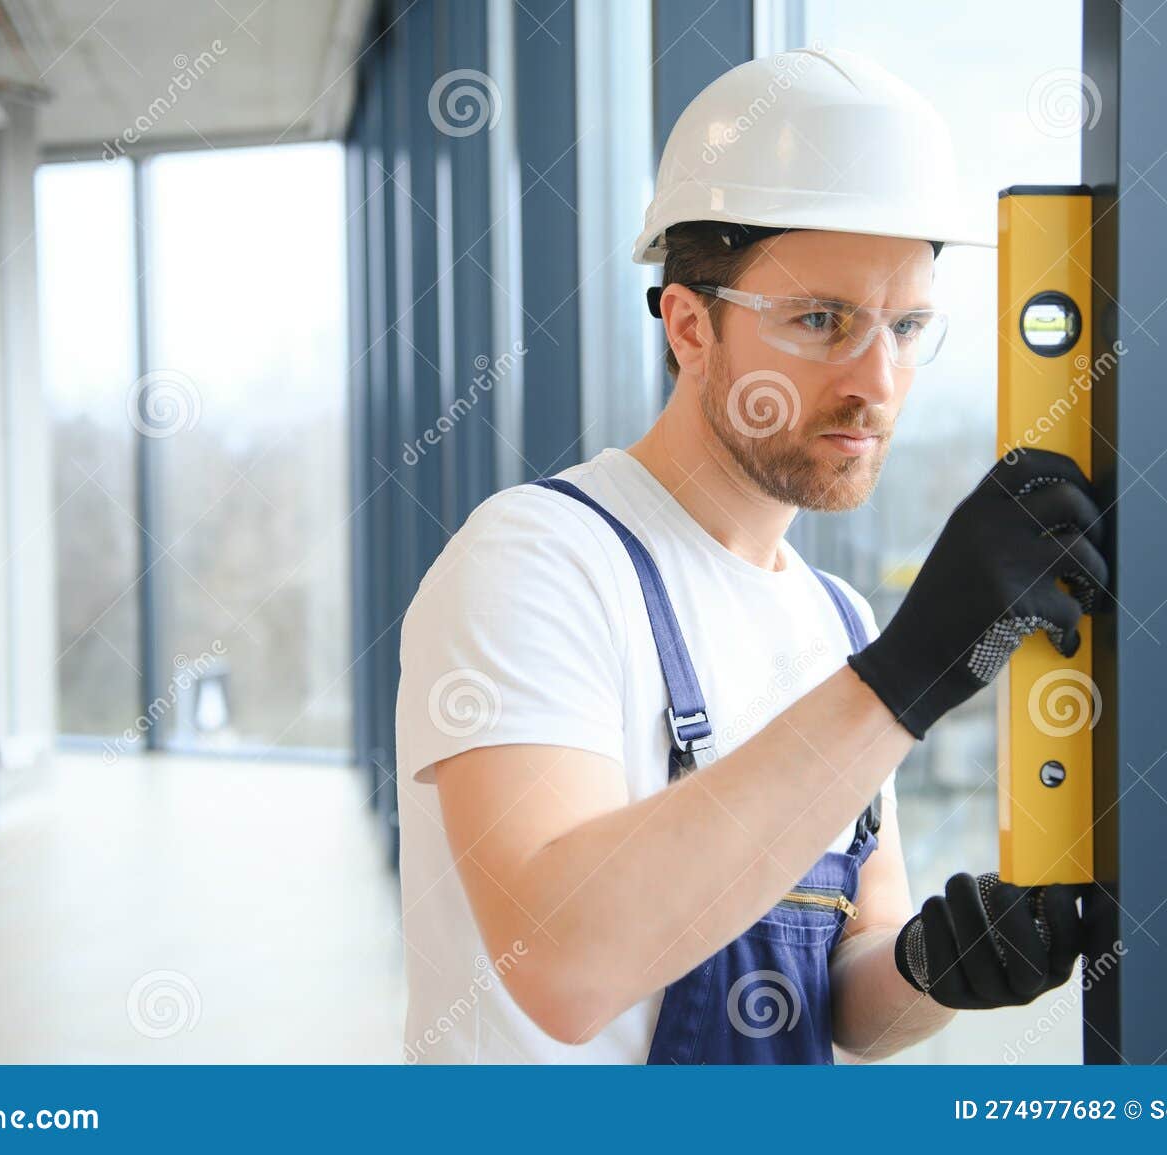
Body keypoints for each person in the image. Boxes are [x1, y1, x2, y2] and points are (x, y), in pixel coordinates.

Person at [395, 47, 1107, 1064]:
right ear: (689, 327)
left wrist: (939, 967)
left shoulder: (840, 621)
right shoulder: (536, 561)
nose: (877, 382)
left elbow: (849, 1003)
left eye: (906, 326)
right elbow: (559, 965)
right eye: (821, 320)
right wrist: (908, 675)